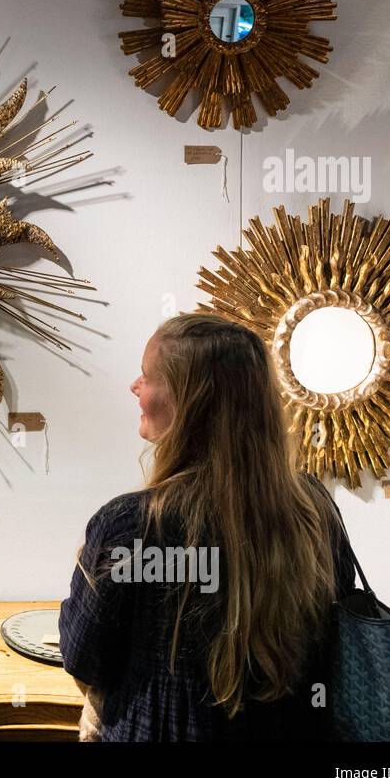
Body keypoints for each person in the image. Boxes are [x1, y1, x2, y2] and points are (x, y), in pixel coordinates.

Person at [58, 312, 358, 741]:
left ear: (188, 400)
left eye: (147, 376)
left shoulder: (131, 525)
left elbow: (82, 655)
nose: (135, 387)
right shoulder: (315, 509)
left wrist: (85, 575)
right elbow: (333, 635)